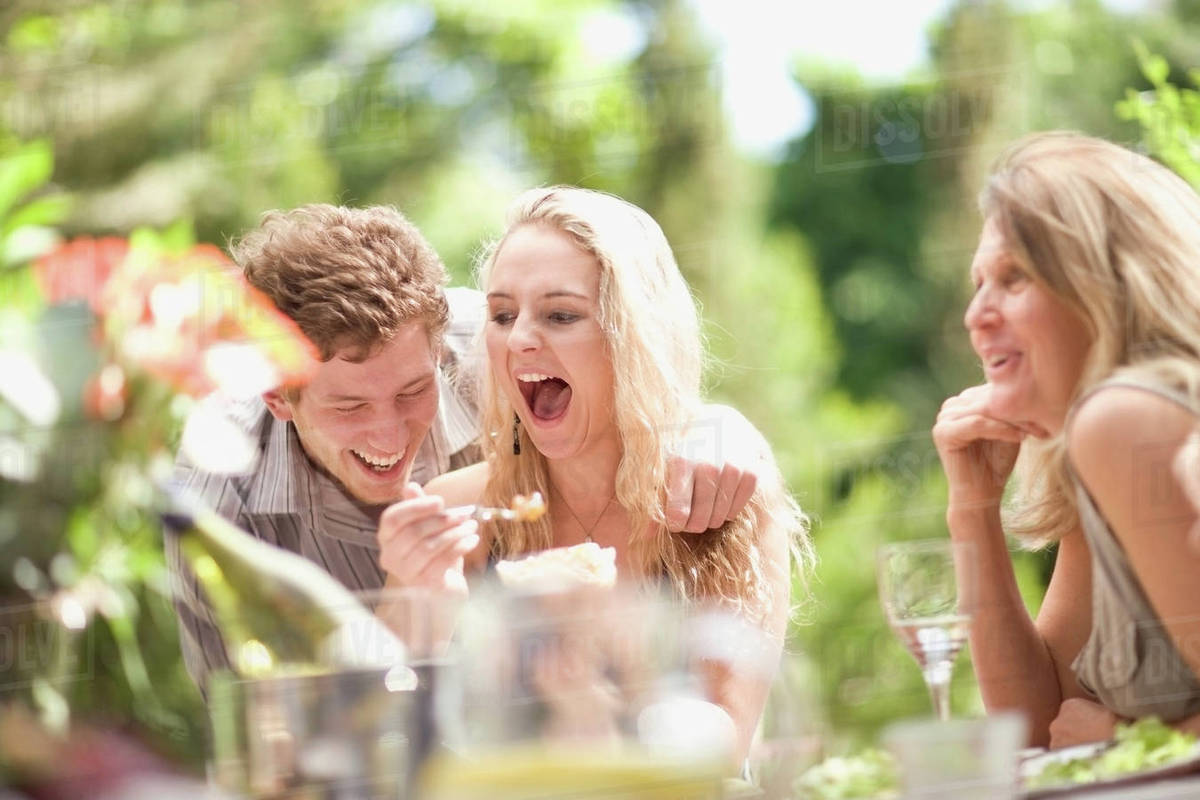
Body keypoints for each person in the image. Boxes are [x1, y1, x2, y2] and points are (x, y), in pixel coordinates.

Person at [167, 203, 771, 693]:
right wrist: (411, 607)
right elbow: (271, 752)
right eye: (349, 408)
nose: (389, 435)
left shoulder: (494, 345)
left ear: (439, 353)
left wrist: (717, 426)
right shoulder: (219, 506)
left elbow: (638, 370)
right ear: (277, 395)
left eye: (412, 390)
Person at [377, 186, 812, 762]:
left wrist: (610, 690)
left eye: (561, 315)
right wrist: (417, 607)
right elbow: (383, 742)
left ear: (633, 336)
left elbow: (724, 750)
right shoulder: (460, 514)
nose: (521, 338)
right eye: (503, 314)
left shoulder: (715, 503)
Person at [933, 132, 1200, 749]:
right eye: (979, 284)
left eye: (1014, 278)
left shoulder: (1124, 420)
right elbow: (1036, 724)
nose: (976, 315)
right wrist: (972, 509)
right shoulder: (1099, 447)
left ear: (1110, 288)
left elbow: (1072, 740)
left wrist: (1121, 743)